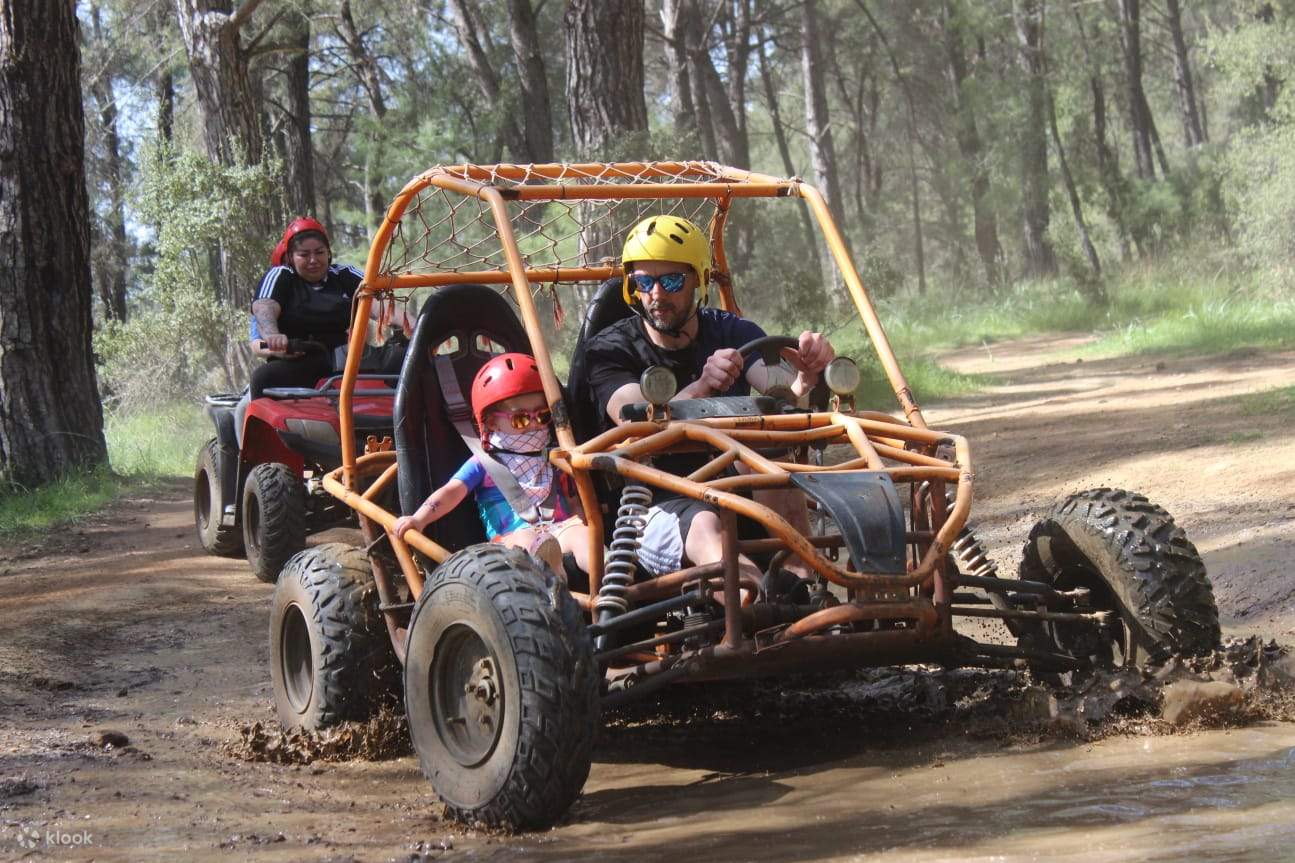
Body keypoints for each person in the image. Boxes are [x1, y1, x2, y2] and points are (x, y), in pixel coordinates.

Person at [584, 215, 836, 583]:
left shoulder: (730, 330)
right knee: (705, 527)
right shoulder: (609, 350)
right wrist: (703, 386)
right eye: (644, 281)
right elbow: (634, 419)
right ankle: (754, 606)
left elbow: (782, 396)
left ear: (699, 280)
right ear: (630, 286)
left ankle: (805, 587)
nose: (656, 294)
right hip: (652, 501)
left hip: (731, 488)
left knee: (770, 450)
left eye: (671, 280)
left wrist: (808, 372)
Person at [392, 353, 597, 578]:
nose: (533, 427)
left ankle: (613, 583)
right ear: (491, 422)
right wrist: (418, 519)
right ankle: (554, 587)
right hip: (510, 539)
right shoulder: (485, 463)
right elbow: (451, 492)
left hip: (559, 527)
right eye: (520, 419)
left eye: (543, 416)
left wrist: (582, 520)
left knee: (585, 536)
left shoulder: (553, 454)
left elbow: (572, 498)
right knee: (527, 543)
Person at [248, 217, 364, 399]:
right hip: (298, 358)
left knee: (398, 362)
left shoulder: (344, 274)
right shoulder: (278, 279)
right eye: (304, 255)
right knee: (263, 377)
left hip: (343, 360)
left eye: (319, 253)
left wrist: (410, 324)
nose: (313, 261)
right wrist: (274, 340)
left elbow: (376, 295)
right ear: (290, 259)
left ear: (328, 253)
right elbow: (262, 320)